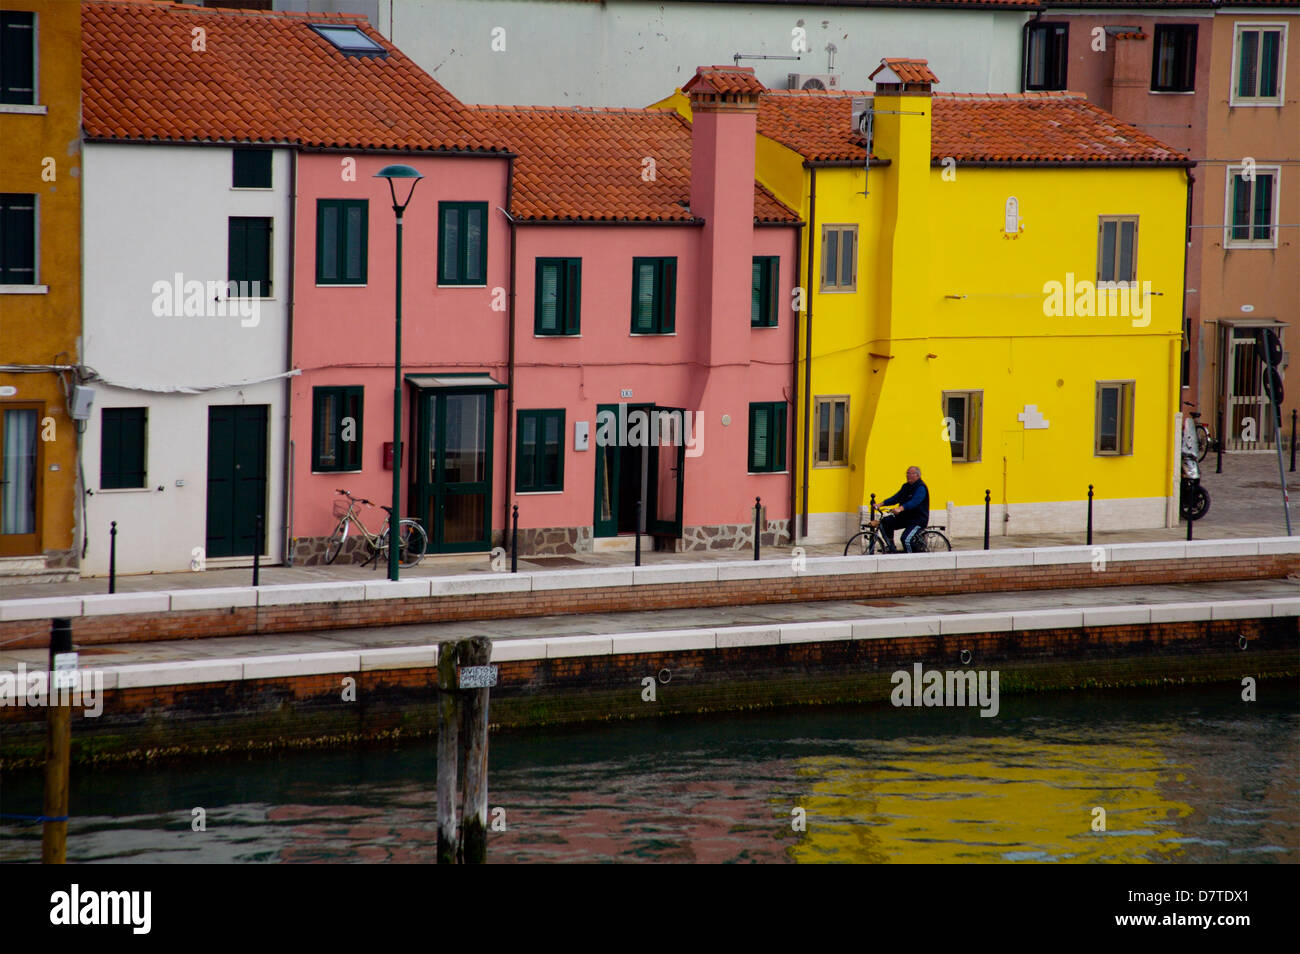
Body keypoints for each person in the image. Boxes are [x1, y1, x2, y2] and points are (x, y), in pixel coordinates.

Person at [872, 465, 929, 553]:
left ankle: (912, 558)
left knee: (906, 539)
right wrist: (881, 504)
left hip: (917, 520)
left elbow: (914, 502)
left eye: (910, 473)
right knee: (885, 522)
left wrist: (901, 508)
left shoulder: (921, 487)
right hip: (905, 517)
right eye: (907, 473)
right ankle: (891, 547)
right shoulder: (906, 486)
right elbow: (896, 498)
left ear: (917, 475)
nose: (908, 475)